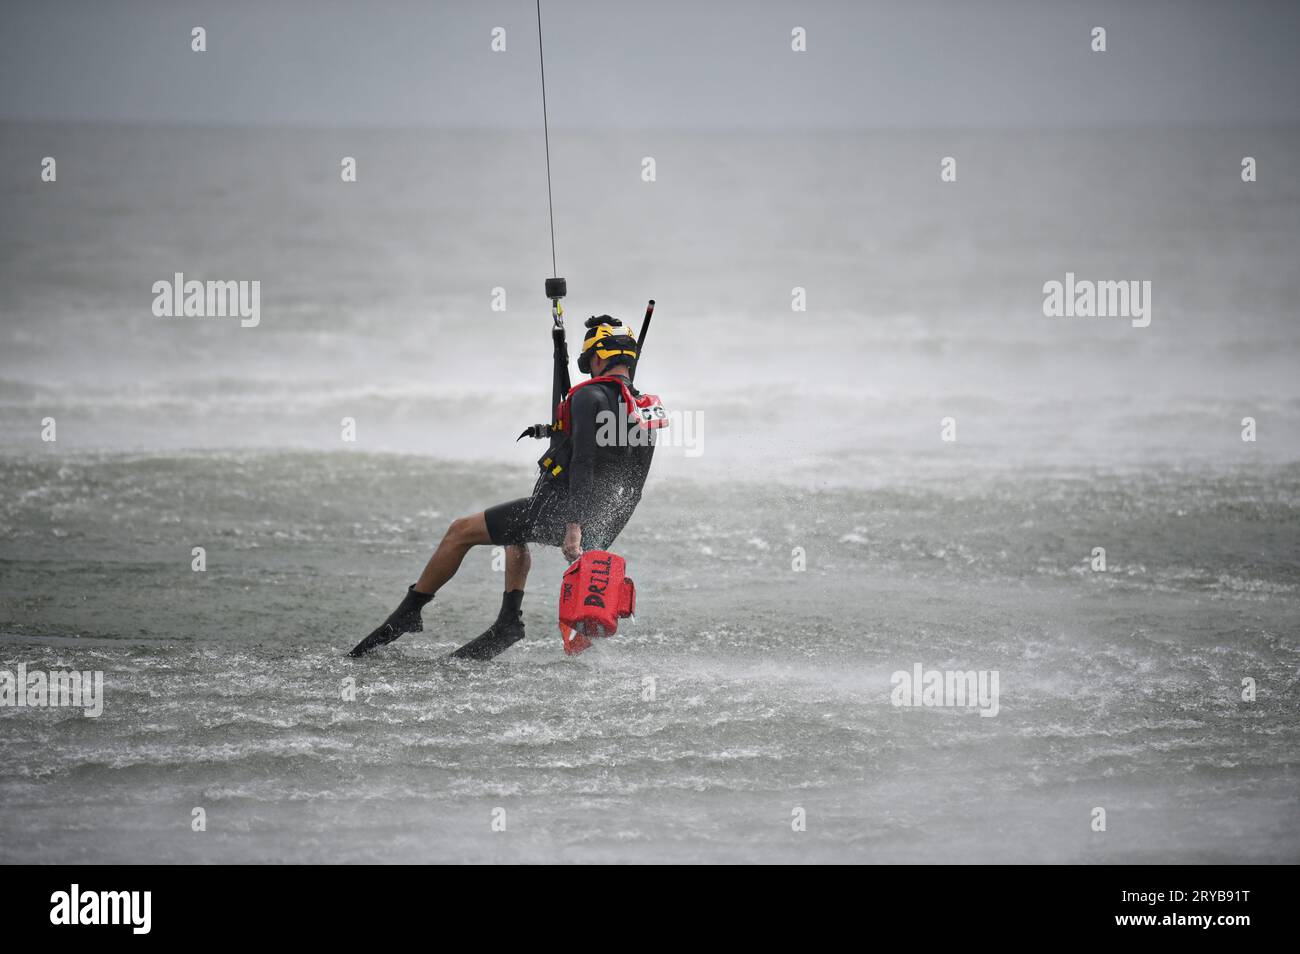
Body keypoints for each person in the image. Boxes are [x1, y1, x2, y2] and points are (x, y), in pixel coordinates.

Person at [348, 315, 660, 660]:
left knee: (459, 532)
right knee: (515, 531)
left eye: (591, 364)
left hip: (562, 512)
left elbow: (585, 461)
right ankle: (508, 620)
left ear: (599, 358)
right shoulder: (645, 409)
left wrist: (573, 528)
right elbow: (632, 486)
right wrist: (599, 537)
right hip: (597, 517)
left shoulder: (590, 398)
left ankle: (410, 610)